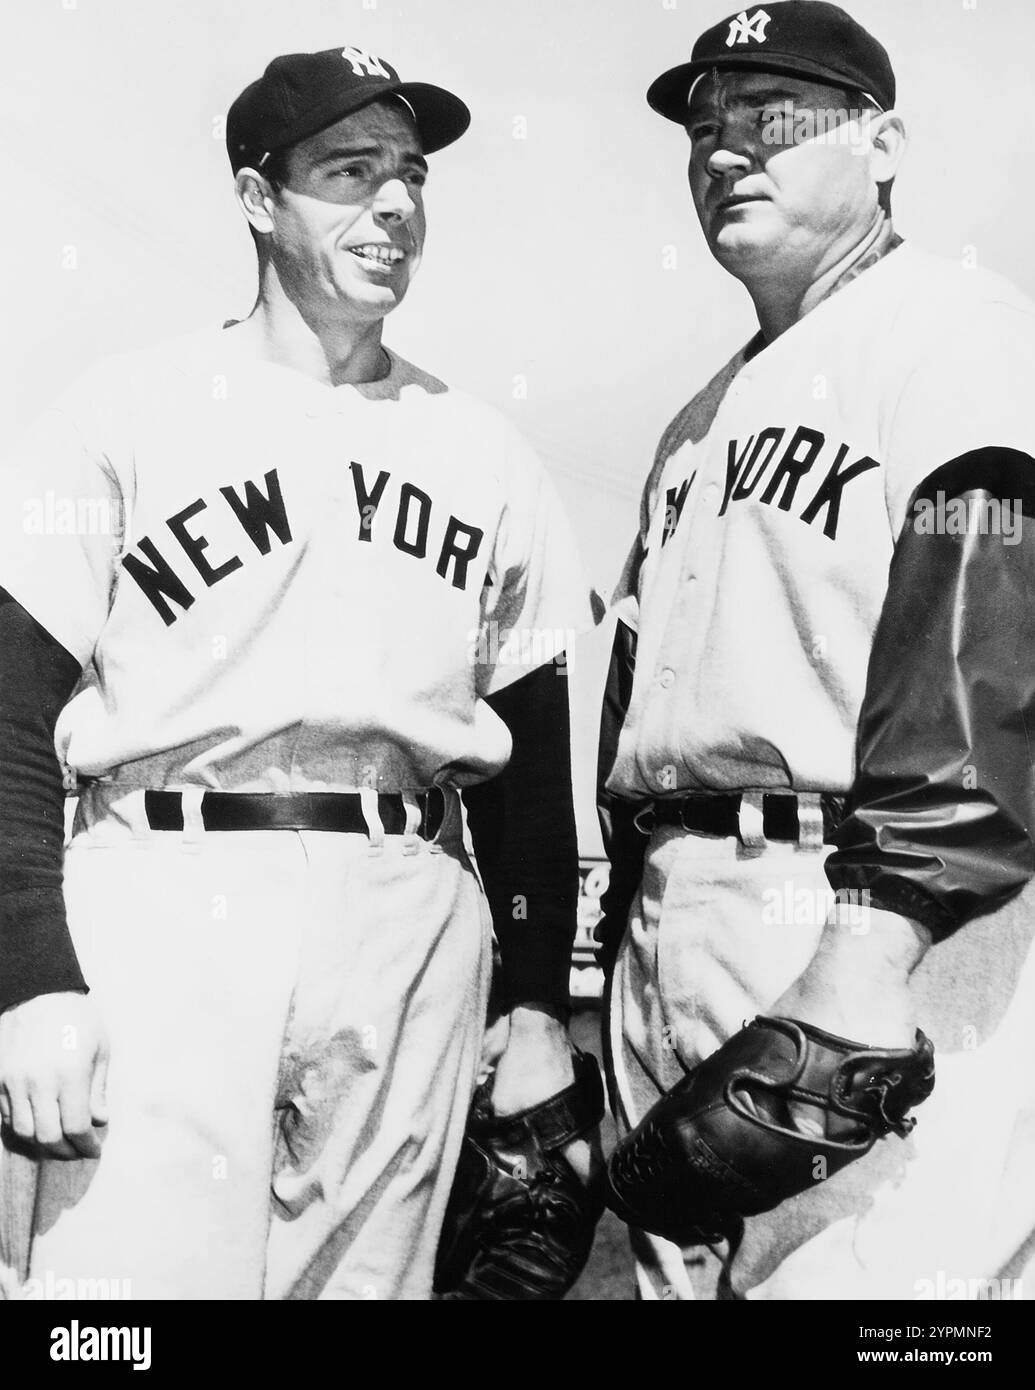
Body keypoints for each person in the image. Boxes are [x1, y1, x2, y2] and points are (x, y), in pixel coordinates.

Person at [0, 44, 596, 1300]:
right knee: (115, 1308)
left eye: (411, 176)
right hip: (169, 879)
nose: (395, 206)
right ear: (258, 199)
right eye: (349, 171)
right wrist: (29, 976)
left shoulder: (484, 449)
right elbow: (6, 719)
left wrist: (536, 1003)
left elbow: (529, 769)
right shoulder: (126, 411)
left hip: (412, 901)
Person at [597, 0, 1035, 1300]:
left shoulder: (958, 330)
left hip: (867, 920)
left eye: (775, 116)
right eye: (704, 126)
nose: (726, 148)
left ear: (884, 141)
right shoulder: (695, 418)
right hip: (678, 930)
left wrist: (873, 945)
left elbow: (989, 628)